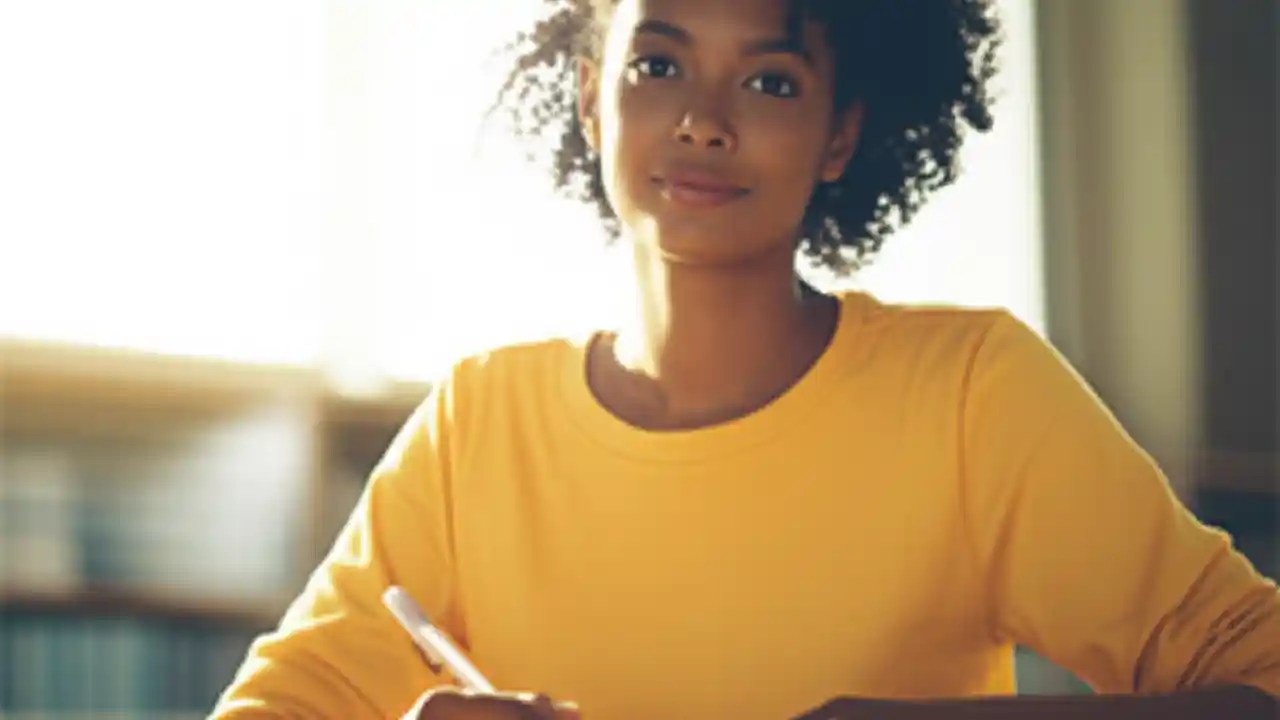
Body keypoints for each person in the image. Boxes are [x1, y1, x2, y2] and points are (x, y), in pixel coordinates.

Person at [212, 1, 1280, 718]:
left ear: (838, 138)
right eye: (658, 65)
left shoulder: (971, 395)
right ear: (593, 100)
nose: (702, 121)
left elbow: (1257, 679)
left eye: (767, 83)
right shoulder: (476, 423)